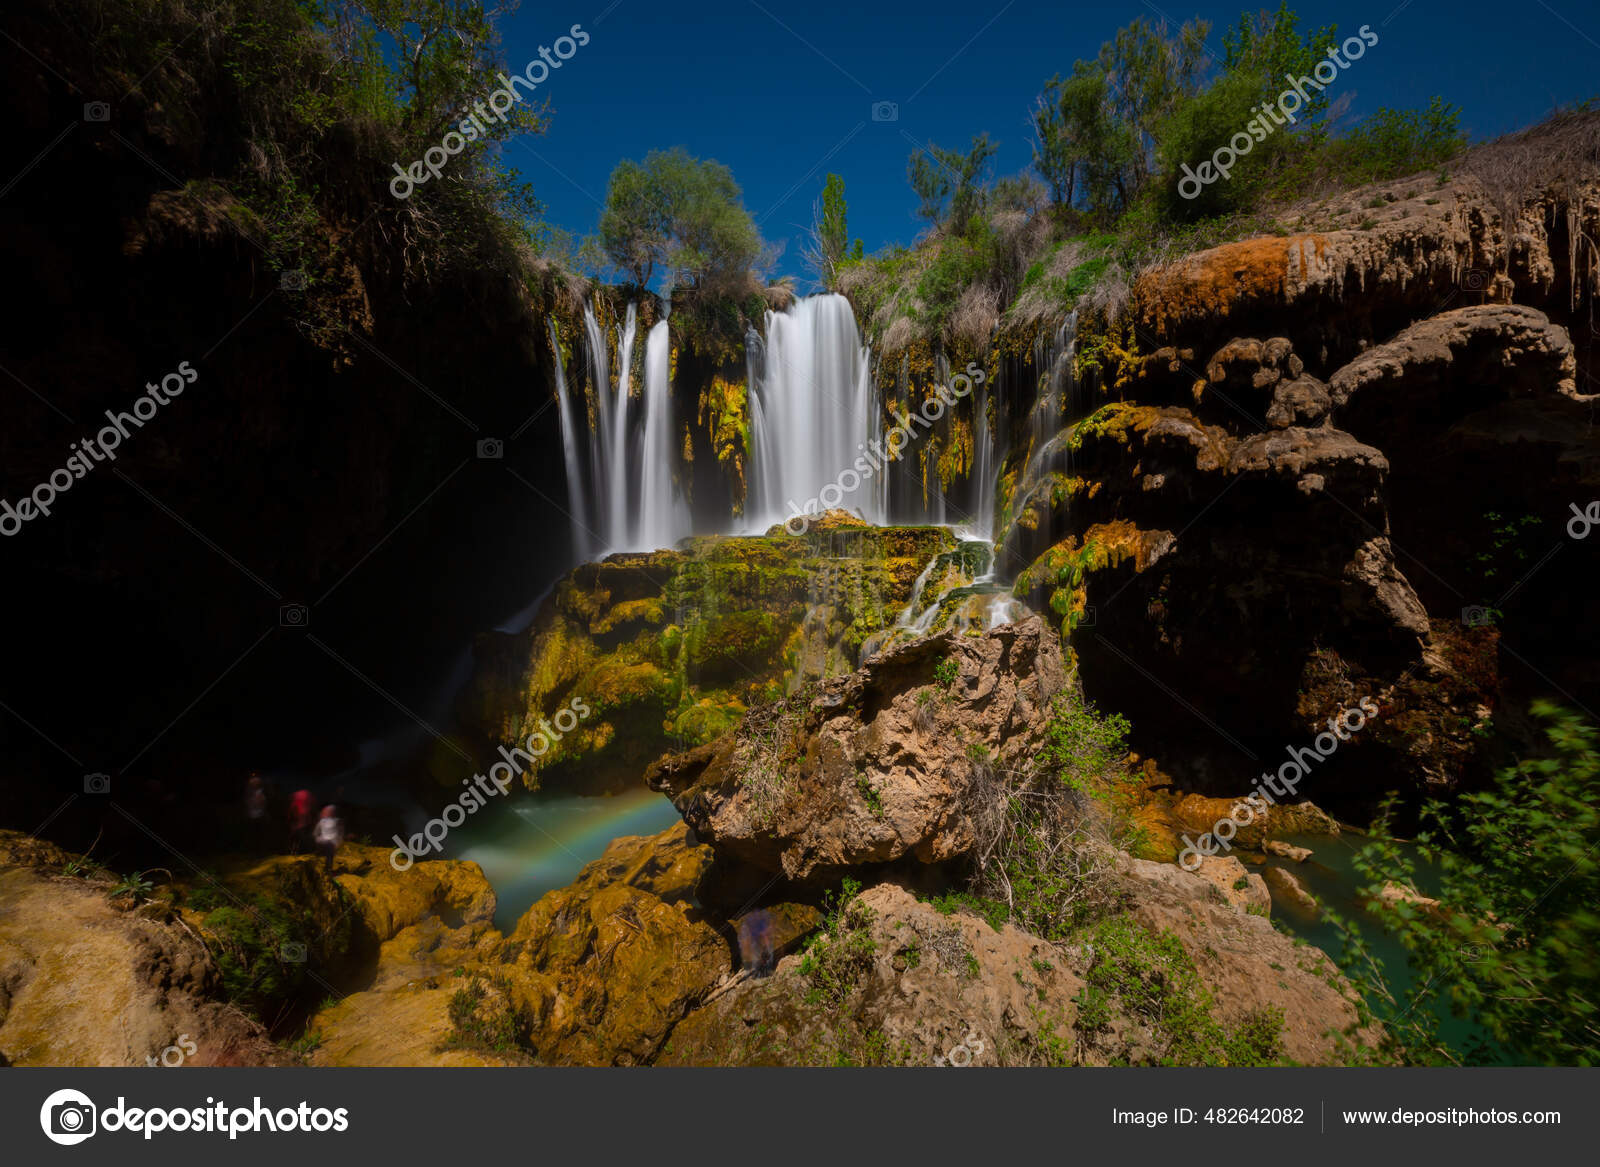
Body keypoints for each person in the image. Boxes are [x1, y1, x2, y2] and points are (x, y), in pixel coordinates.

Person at [312, 805, 344, 874]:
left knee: (328, 855)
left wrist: (338, 842)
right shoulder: (323, 821)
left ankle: (327, 870)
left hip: (329, 842)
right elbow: (316, 832)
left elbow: (340, 833)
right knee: (327, 855)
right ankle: (324, 869)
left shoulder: (336, 821)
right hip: (325, 841)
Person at [288, 789, 315, 854]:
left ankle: (295, 851)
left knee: (298, 839)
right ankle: (295, 851)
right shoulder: (299, 805)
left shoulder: (298, 804)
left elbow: (291, 814)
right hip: (300, 826)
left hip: (300, 826)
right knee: (298, 839)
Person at [245, 774, 268, 852]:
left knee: (259, 835)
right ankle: (254, 850)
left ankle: (259, 850)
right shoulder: (250, 792)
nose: (254, 783)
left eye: (256, 782)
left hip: (259, 815)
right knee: (254, 835)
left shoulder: (260, 792)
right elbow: (249, 803)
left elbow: (262, 803)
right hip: (253, 815)